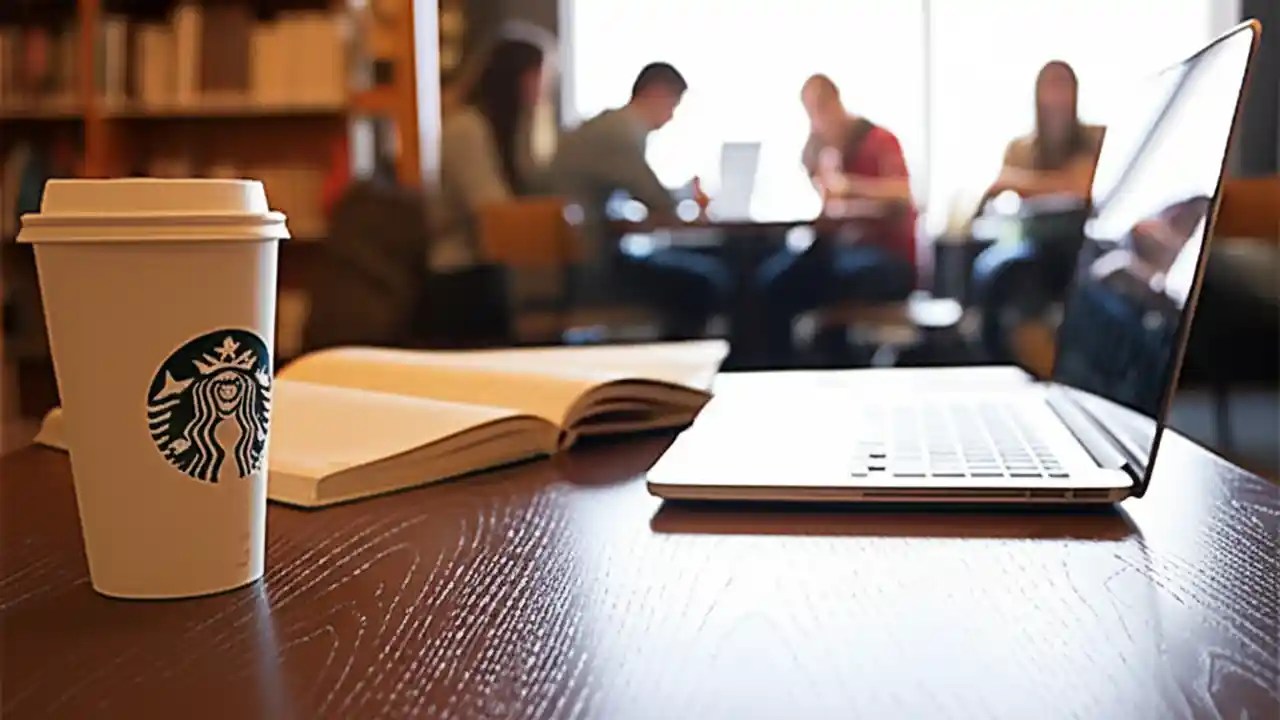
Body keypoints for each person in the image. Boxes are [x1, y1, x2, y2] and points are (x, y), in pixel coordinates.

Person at [548, 62, 729, 340]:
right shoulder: (619, 133)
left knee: (698, 270)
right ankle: (675, 373)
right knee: (704, 282)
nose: (670, 117)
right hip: (587, 269)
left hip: (574, 260)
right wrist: (687, 199)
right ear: (656, 93)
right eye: (673, 105)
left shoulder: (607, 127)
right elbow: (655, 198)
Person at [753, 74, 917, 365]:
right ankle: (779, 368)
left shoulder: (879, 140)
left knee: (816, 280)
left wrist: (850, 185)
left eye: (820, 108)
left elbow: (903, 194)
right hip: (843, 251)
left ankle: (830, 361)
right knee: (773, 281)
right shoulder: (828, 149)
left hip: (889, 259)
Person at [970, 60, 1107, 363]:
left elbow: (1082, 186)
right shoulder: (1020, 148)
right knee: (1002, 273)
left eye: (1063, 87)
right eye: (1050, 87)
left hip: (1080, 241)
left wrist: (1016, 181)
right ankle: (1016, 367)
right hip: (1033, 242)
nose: (1056, 97)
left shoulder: (1096, 138)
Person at [428, 36, 551, 345]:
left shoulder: (503, 128)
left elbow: (533, 185)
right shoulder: (466, 128)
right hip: (460, 277)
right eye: (539, 77)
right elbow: (491, 209)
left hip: (487, 270)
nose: (543, 90)